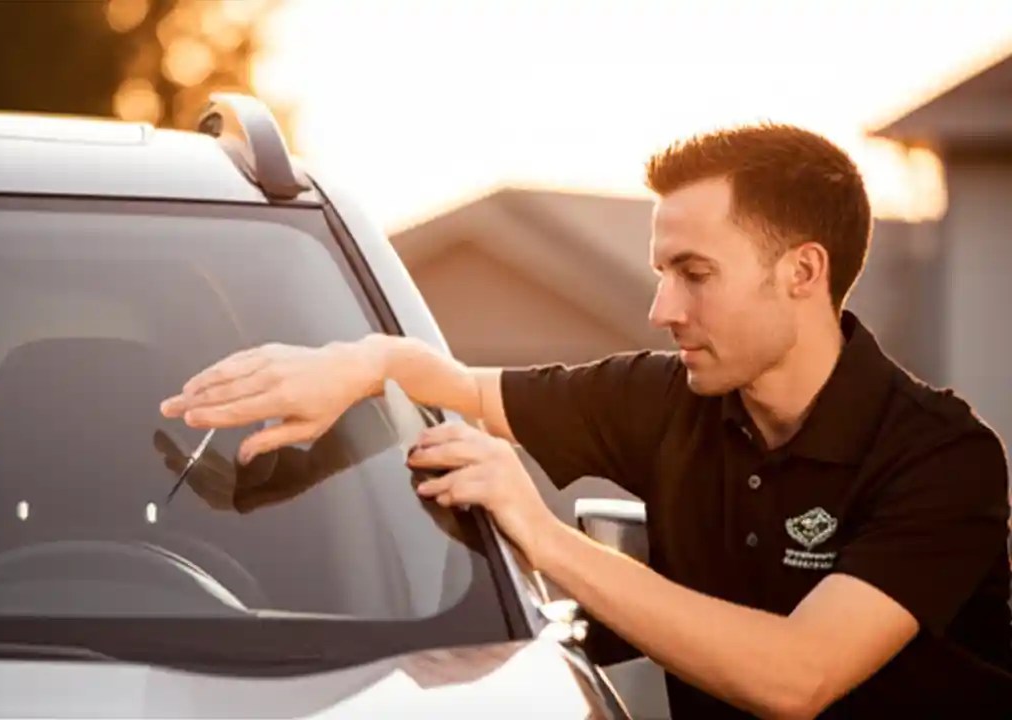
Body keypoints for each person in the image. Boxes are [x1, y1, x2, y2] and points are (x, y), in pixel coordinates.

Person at [159, 123, 1012, 718]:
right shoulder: (666, 397)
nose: (660, 307)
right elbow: (463, 388)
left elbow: (797, 678)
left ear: (802, 271)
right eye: (659, 271)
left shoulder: (942, 460)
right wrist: (360, 363)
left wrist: (542, 533)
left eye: (693, 272)